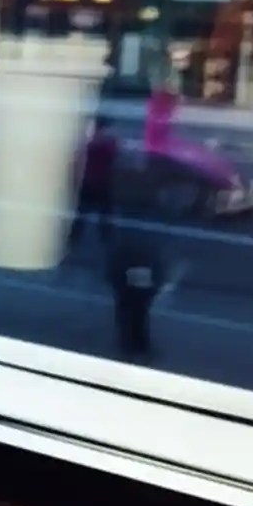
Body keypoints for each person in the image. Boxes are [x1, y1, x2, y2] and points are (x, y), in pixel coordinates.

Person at [105, 233, 182, 358]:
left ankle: (130, 343)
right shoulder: (148, 245)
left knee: (130, 309)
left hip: (130, 263)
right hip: (139, 264)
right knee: (138, 311)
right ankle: (136, 344)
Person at [70, 115, 118, 246]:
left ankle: (74, 239)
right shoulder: (108, 142)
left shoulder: (89, 142)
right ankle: (106, 238)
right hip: (99, 182)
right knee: (104, 214)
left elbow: (77, 159)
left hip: (89, 182)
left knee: (83, 214)